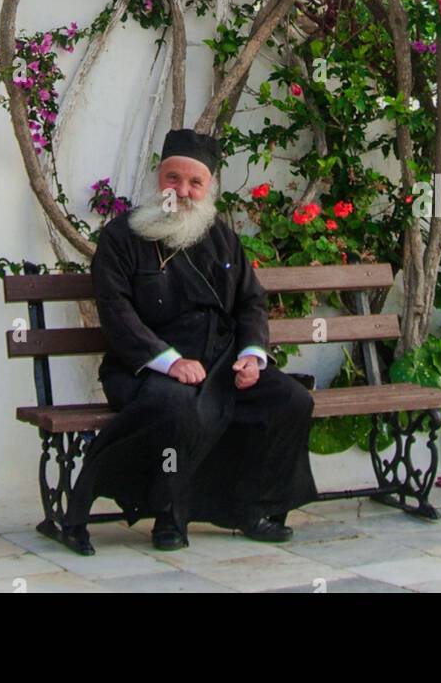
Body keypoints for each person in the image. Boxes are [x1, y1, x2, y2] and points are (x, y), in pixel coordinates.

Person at [60, 128, 318, 552]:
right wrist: (169, 361)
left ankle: (252, 507)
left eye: (194, 182)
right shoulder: (122, 238)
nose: (182, 191)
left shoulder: (221, 237)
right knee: (179, 406)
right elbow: (116, 313)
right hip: (143, 367)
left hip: (220, 365)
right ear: (157, 180)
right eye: (172, 179)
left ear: (209, 188)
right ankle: (168, 516)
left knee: (290, 400)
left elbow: (251, 302)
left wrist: (252, 356)